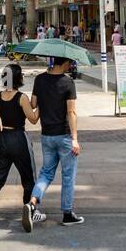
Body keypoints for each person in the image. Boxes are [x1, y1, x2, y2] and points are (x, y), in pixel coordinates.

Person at [0, 63, 40, 230]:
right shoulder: (21, 97)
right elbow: (33, 119)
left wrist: (0, 137)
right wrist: (41, 107)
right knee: (28, 178)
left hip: (3, 137)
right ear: (18, 78)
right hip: (19, 138)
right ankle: (30, 209)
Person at [24, 57, 83, 229]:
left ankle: (32, 203)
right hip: (64, 136)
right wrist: (75, 139)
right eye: (70, 63)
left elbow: (33, 104)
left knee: (46, 173)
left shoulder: (40, 79)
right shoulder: (68, 82)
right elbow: (71, 112)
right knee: (68, 175)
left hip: (46, 135)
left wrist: (44, 98)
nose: (70, 66)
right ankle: (67, 214)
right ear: (64, 63)